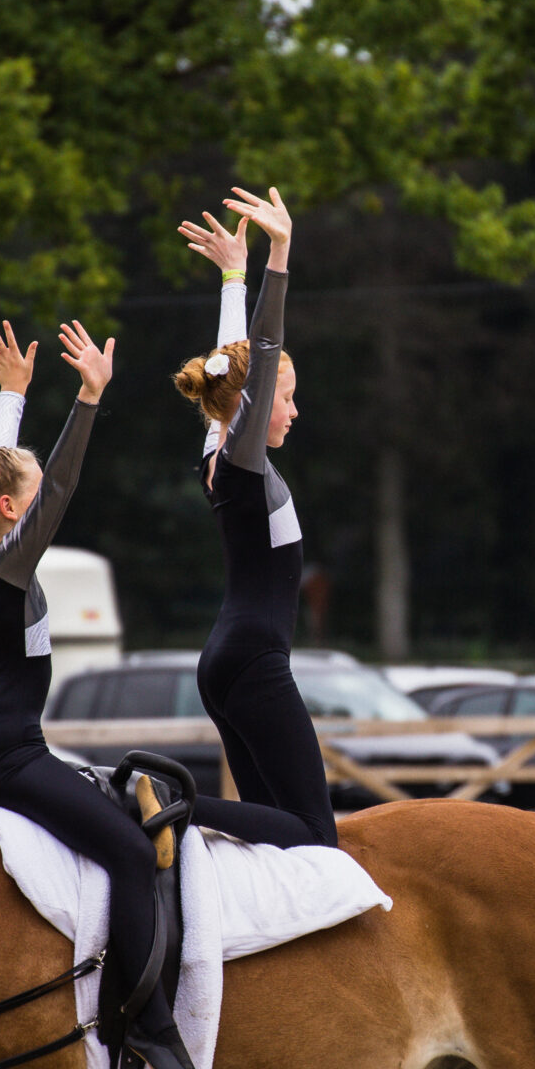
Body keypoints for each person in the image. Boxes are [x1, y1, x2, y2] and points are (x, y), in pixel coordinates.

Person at [0, 318, 204, 1069]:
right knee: (128, 849)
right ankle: (146, 1018)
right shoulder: (11, 566)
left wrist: (12, 398)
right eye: (25, 494)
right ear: (15, 512)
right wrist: (87, 397)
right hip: (6, 753)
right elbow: (55, 487)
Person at [171, 187, 337, 850]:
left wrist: (232, 277)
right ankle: (175, 807)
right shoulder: (239, 459)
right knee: (315, 835)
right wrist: (281, 254)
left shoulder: (220, 443)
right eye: (285, 398)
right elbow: (259, 354)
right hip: (252, 663)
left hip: (230, 657)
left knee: (277, 841)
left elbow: (232, 362)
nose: (292, 411)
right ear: (249, 404)